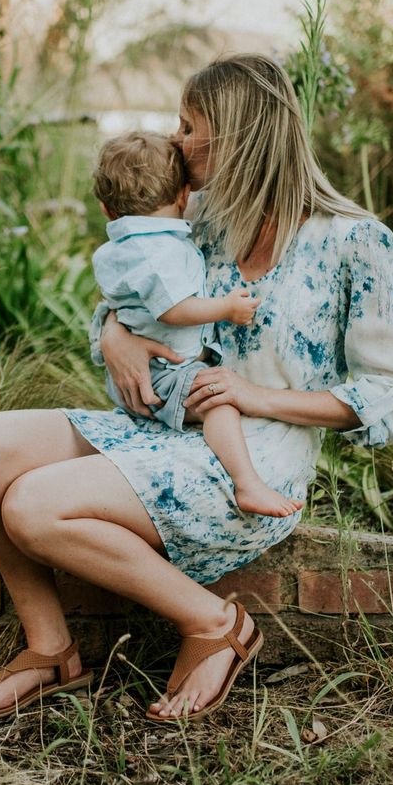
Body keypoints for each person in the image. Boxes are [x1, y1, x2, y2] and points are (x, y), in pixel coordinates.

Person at [0, 53, 393, 723]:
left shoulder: (354, 242)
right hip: (166, 422)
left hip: (253, 463)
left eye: (188, 124)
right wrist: (115, 331)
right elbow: (140, 306)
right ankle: (51, 647)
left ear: (235, 135)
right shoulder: (198, 219)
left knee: (33, 506)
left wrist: (254, 396)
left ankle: (216, 624)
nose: (176, 140)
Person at [87, 129, 303, 519]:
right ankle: (247, 484)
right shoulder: (160, 250)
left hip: (141, 374)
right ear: (185, 196)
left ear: (106, 210)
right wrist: (225, 308)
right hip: (165, 374)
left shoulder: (119, 248)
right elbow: (173, 310)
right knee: (219, 404)